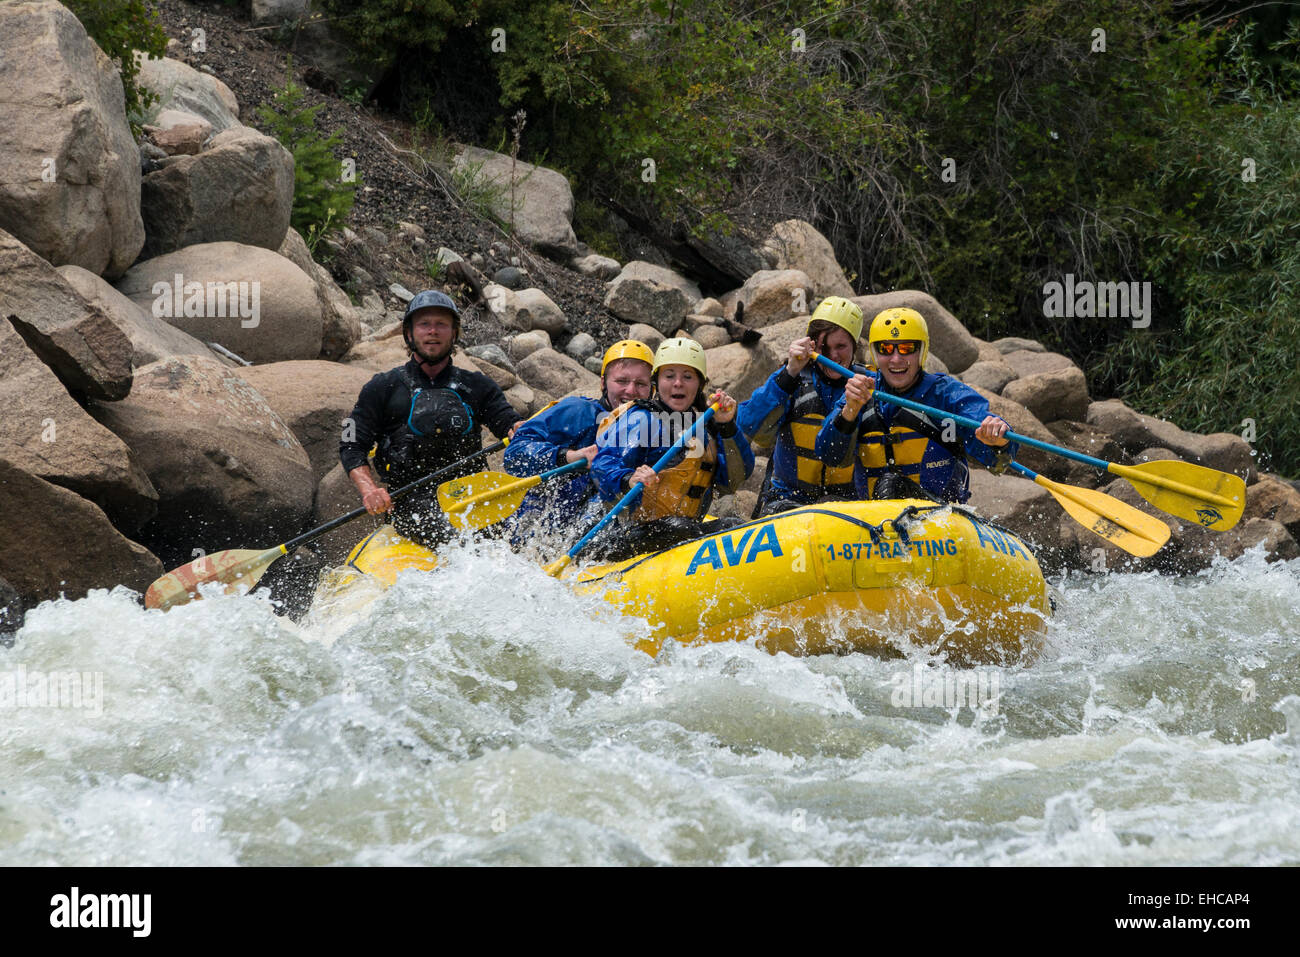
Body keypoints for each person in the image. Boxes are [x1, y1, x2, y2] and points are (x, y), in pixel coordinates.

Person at [339, 289, 522, 547]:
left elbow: (508, 422)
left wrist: (519, 429)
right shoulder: (381, 387)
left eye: (441, 325)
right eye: (424, 324)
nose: (432, 331)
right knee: (451, 534)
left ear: (454, 333)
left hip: (472, 497)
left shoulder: (477, 385)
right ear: (409, 333)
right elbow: (350, 442)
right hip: (410, 502)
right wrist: (369, 489)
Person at [815, 307, 1016, 503]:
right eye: (885, 349)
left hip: (941, 516)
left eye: (906, 349)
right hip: (874, 521)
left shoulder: (946, 394)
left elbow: (996, 461)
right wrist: (849, 411)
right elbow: (829, 455)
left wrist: (998, 441)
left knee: (892, 485)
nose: (896, 359)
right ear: (875, 354)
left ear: (922, 351)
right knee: (827, 501)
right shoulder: (859, 393)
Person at [589, 337, 754, 559]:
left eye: (688, 377)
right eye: (669, 376)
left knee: (733, 525)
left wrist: (726, 426)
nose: (678, 383)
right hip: (627, 534)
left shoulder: (707, 427)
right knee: (681, 528)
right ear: (657, 383)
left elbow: (735, 479)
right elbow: (603, 466)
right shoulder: (641, 418)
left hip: (685, 529)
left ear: (700, 385)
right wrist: (629, 478)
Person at [501, 340, 654, 540]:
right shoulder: (578, 411)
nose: (631, 391)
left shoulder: (652, 426)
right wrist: (570, 456)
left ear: (652, 390)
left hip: (602, 529)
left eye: (641, 384)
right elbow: (515, 454)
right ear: (603, 384)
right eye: (622, 381)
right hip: (541, 527)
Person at [737, 296, 869, 515]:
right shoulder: (791, 379)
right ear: (812, 345)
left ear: (854, 345)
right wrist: (789, 372)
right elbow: (748, 426)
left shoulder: (868, 385)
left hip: (847, 506)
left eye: (841, 346)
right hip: (788, 501)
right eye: (824, 348)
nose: (833, 356)